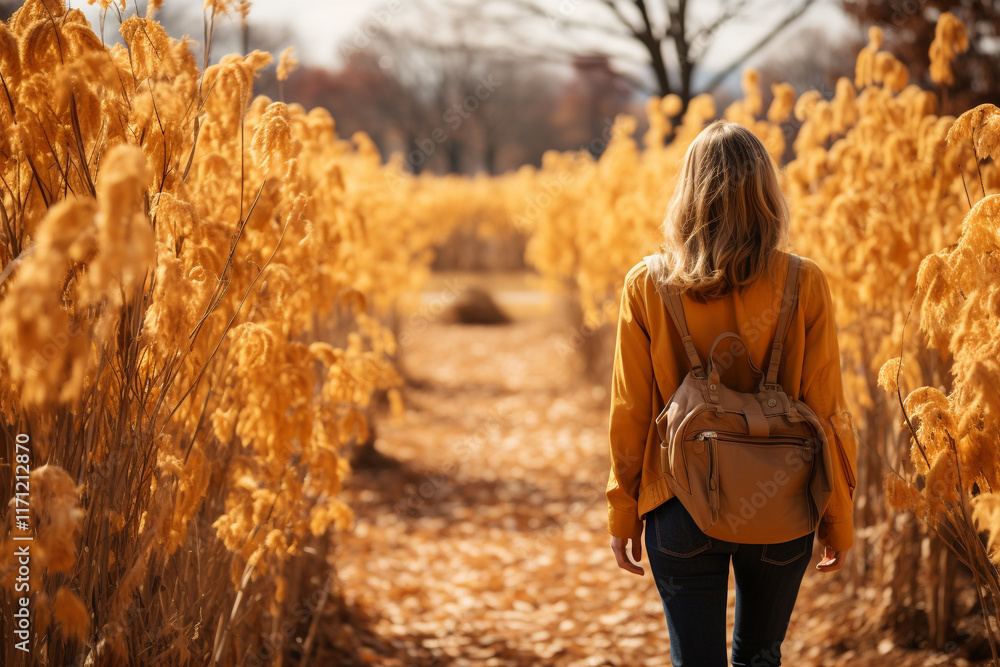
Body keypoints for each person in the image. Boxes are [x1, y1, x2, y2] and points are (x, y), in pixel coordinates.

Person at [605, 120, 858, 667]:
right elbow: (828, 408)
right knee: (760, 656)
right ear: (766, 194)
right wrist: (837, 515)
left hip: (679, 504)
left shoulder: (647, 284)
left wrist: (623, 511)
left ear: (689, 195)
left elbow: (631, 412)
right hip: (783, 503)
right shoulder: (804, 282)